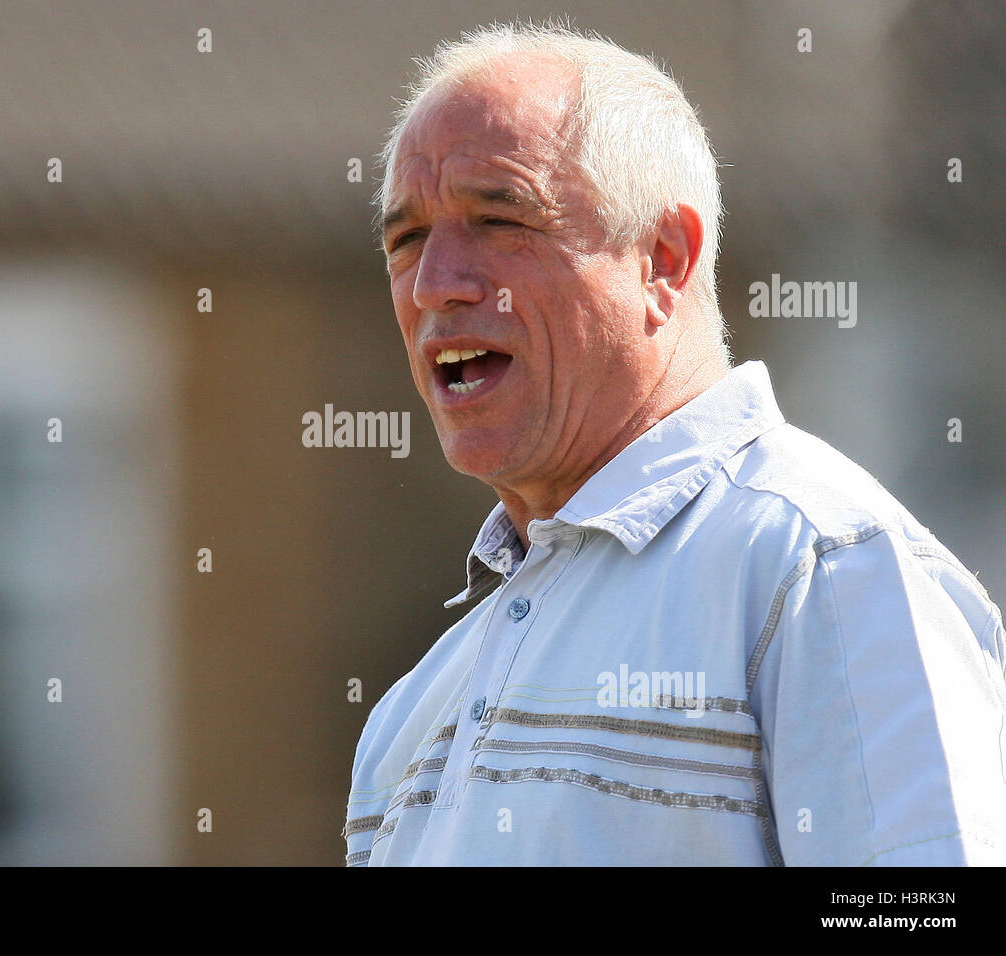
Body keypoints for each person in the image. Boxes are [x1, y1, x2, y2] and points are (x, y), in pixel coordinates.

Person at [344, 20, 1006, 866]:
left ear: (663, 259)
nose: (436, 283)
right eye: (407, 240)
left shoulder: (821, 570)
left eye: (498, 218)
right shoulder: (412, 713)